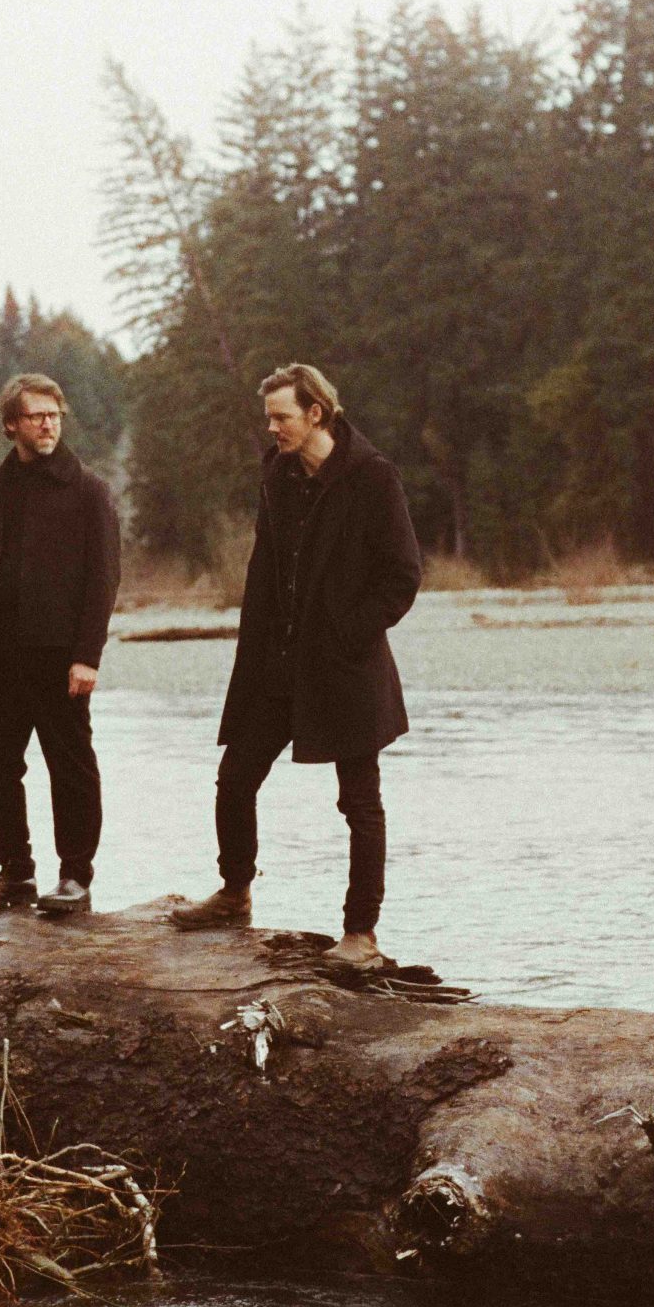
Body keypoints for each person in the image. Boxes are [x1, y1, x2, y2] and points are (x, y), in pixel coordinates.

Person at [171, 363, 422, 969]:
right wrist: (255, 642)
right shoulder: (278, 473)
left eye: (280, 417)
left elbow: (403, 576)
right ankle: (235, 893)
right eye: (269, 418)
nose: (272, 428)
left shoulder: (372, 476)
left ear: (316, 413)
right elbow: (266, 564)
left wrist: (346, 633)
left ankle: (360, 935)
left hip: (346, 665)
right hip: (276, 662)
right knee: (235, 777)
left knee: (359, 803)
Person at [0, 372, 121, 922]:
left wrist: (87, 656)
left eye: (55, 415)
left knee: (70, 766)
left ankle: (75, 877)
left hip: (60, 657)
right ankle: (15, 873)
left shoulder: (88, 491)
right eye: (36, 416)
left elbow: (103, 580)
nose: (49, 425)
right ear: (11, 425)